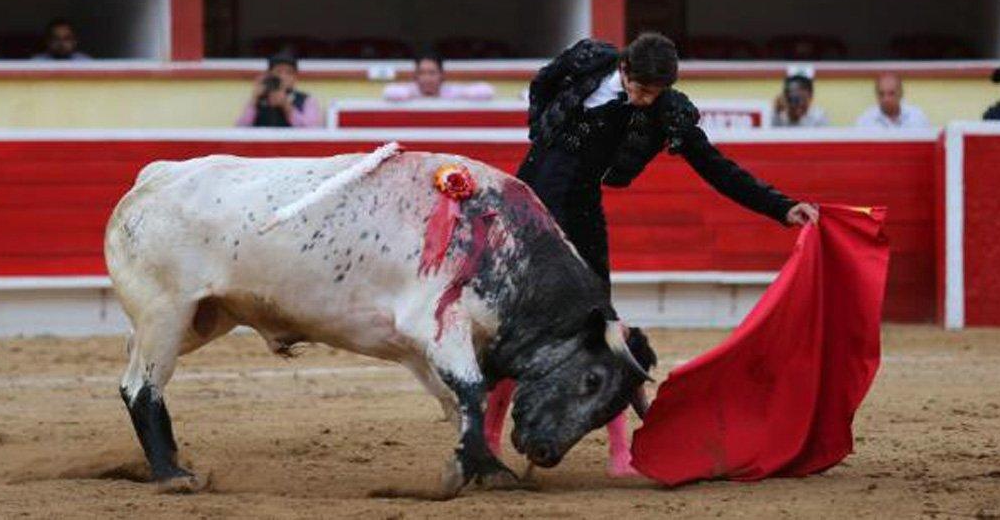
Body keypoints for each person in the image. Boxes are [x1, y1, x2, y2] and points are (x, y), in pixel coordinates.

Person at [492, 33, 818, 476]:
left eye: (655, 94)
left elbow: (715, 166)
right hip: (528, 201)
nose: (646, 102)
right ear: (623, 69)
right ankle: (489, 443)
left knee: (601, 327)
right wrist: (542, 131)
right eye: (641, 90)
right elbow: (542, 84)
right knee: (511, 327)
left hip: (581, 212)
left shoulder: (667, 110)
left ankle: (620, 450)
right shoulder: (588, 62)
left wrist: (780, 206)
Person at [236, 50, 322, 128]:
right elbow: (241, 129)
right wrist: (254, 99)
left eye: (288, 73)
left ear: (295, 77)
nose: (283, 77)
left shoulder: (307, 100)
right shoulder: (259, 98)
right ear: (269, 74)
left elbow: (311, 131)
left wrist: (286, 106)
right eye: (278, 71)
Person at [382, 53, 495, 101]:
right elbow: (388, 92)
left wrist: (463, 95)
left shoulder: (450, 91)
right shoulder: (411, 90)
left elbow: (487, 91)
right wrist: (411, 96)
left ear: (441, 75)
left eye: (432, 73)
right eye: (422, 73)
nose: (427, 78)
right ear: (416, 76)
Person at [855, 73, 930, 128]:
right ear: (876, 95)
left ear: (901, 94)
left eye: (891, 93)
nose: (886, 99)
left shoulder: (917, 117)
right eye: (881, 94)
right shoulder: (866, 120)